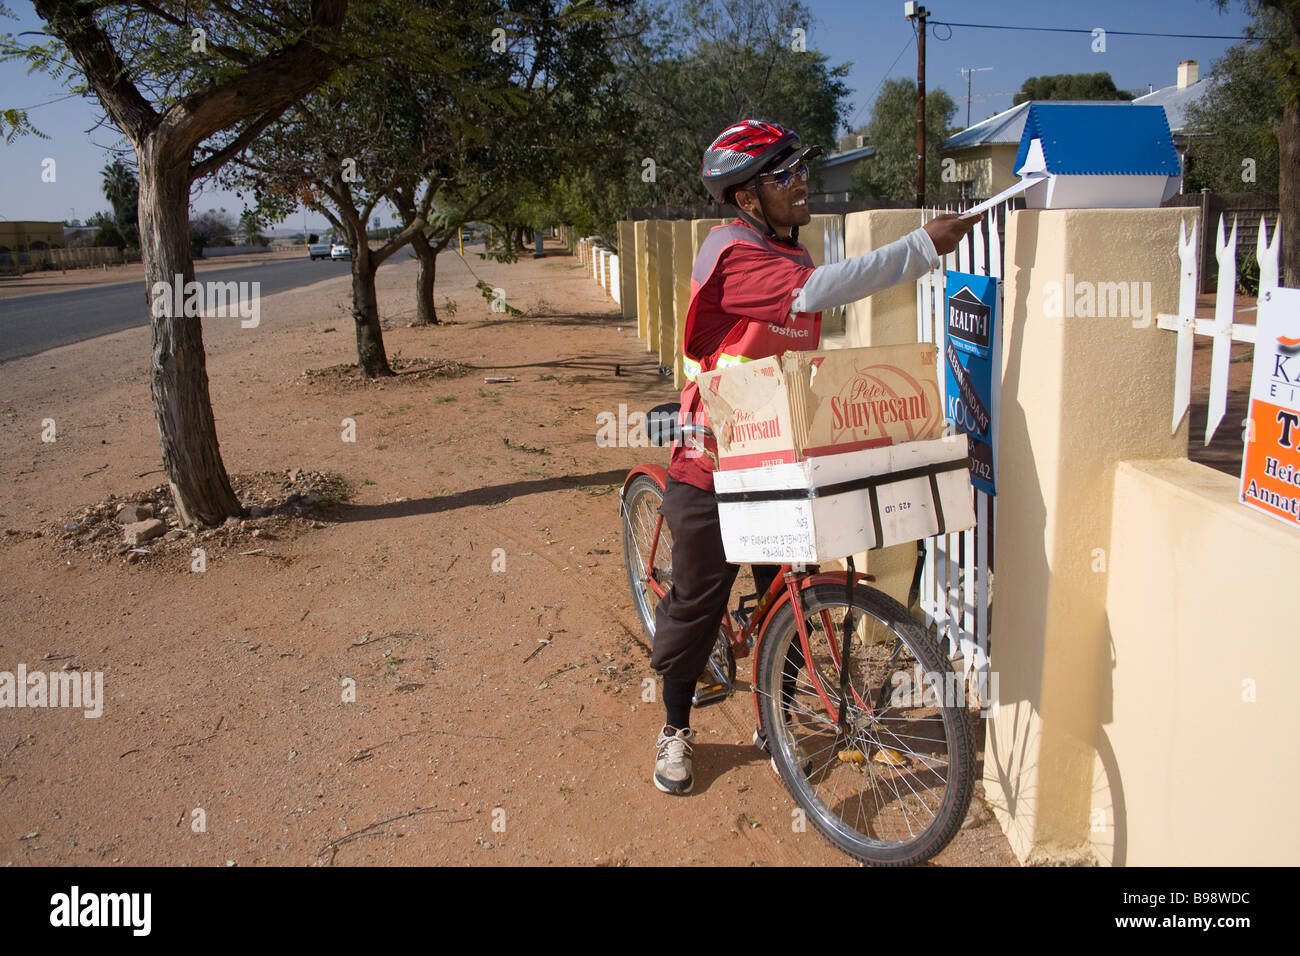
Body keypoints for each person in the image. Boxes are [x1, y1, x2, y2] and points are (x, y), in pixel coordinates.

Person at [651, 119, 974, 794]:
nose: (802, 185)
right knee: (700, 597)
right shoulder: (731, 252)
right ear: (746, 198)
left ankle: (777, 712)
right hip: (712, 455)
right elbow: (818, 292)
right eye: (785, 175)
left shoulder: (790, 255)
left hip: (774, 454)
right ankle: (676, 729)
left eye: (802, 170)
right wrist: (920, 248)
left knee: (792, 585)